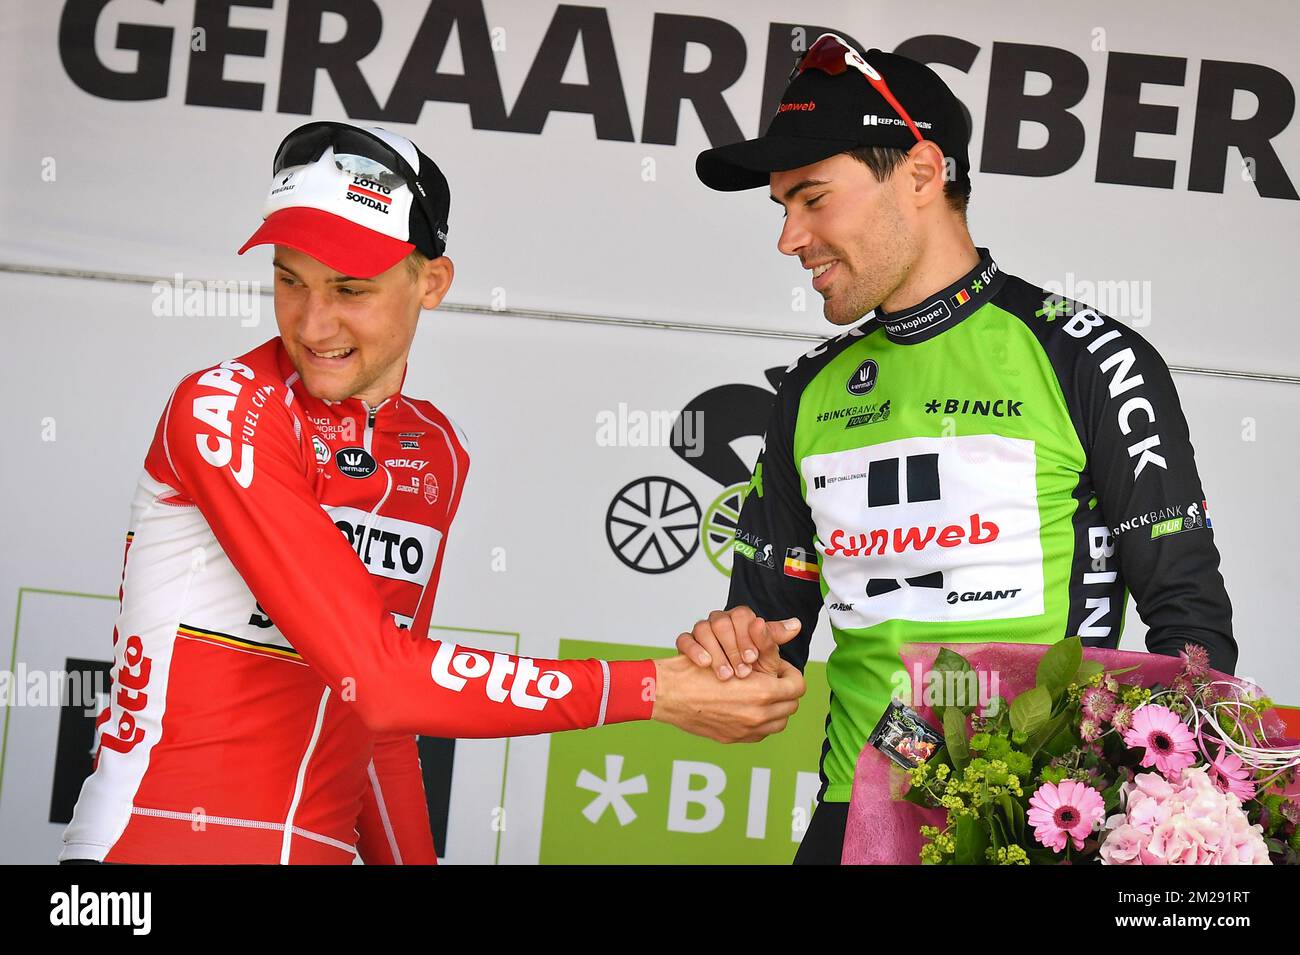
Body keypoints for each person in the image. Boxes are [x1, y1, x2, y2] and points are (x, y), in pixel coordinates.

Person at [60, 121, 805, 865]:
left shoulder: (434, 449)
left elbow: (383, 719)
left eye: (350, 288)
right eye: (290, 279)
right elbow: (382, 679)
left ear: (431, 282)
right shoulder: (224, 408)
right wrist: (655, 689)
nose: (313, 322)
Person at [677, 35, 1236, 864]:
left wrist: (1133, 825)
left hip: (1042, 825)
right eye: (781, 207)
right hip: (855, 820)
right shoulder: (808, 392)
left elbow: (1191, 640)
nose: (789, 238)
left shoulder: (1089, 357)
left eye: (814, 199)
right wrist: (735, 652)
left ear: (923, 174)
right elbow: (770, 654)